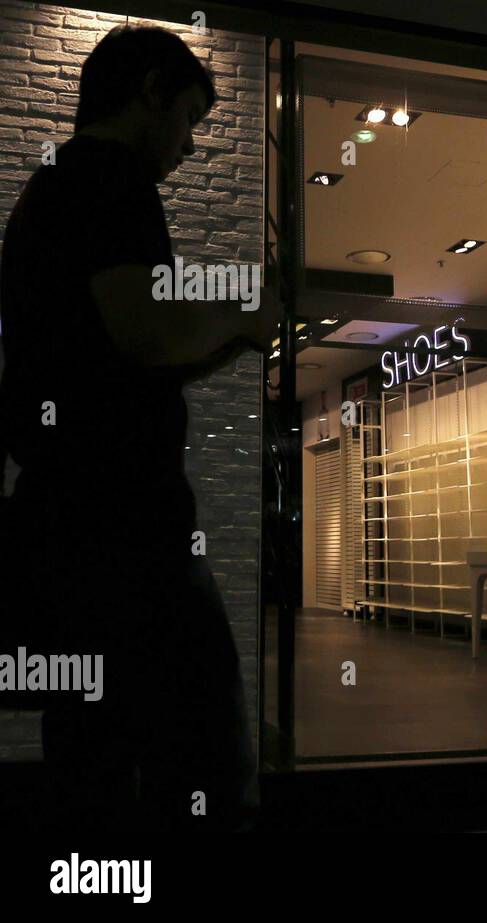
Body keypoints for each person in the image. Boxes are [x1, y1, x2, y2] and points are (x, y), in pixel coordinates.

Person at [0, 25, 281, 830]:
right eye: (189, 117)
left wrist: (231, 338)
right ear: (153, 90)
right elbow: (148, 335)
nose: (190, 146)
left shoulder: (53, 184)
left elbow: (128, 359)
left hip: (71, 519)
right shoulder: (108, 174)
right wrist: (245, 308)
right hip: (125, 526)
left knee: (94, 746)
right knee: (204, 749)